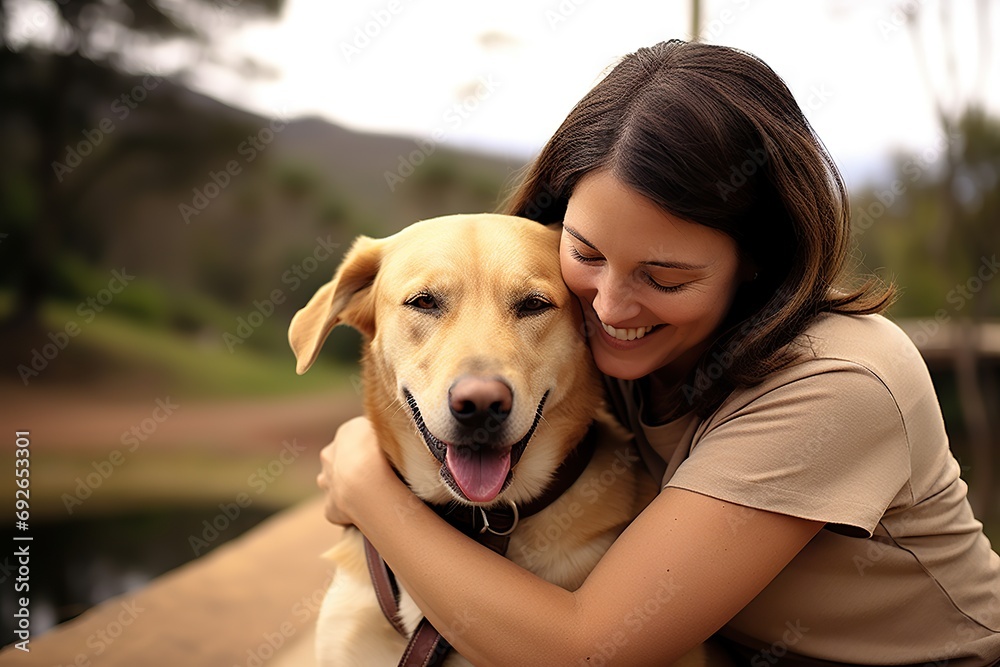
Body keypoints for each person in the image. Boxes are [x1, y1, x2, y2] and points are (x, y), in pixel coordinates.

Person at [316, 40, 1000, 665]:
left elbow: (587, 648)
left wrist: (370, 488)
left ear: (755, 261)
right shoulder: (613, 352)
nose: (609, 307)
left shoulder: (838, 382)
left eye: (663, 276)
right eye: (585, 253)